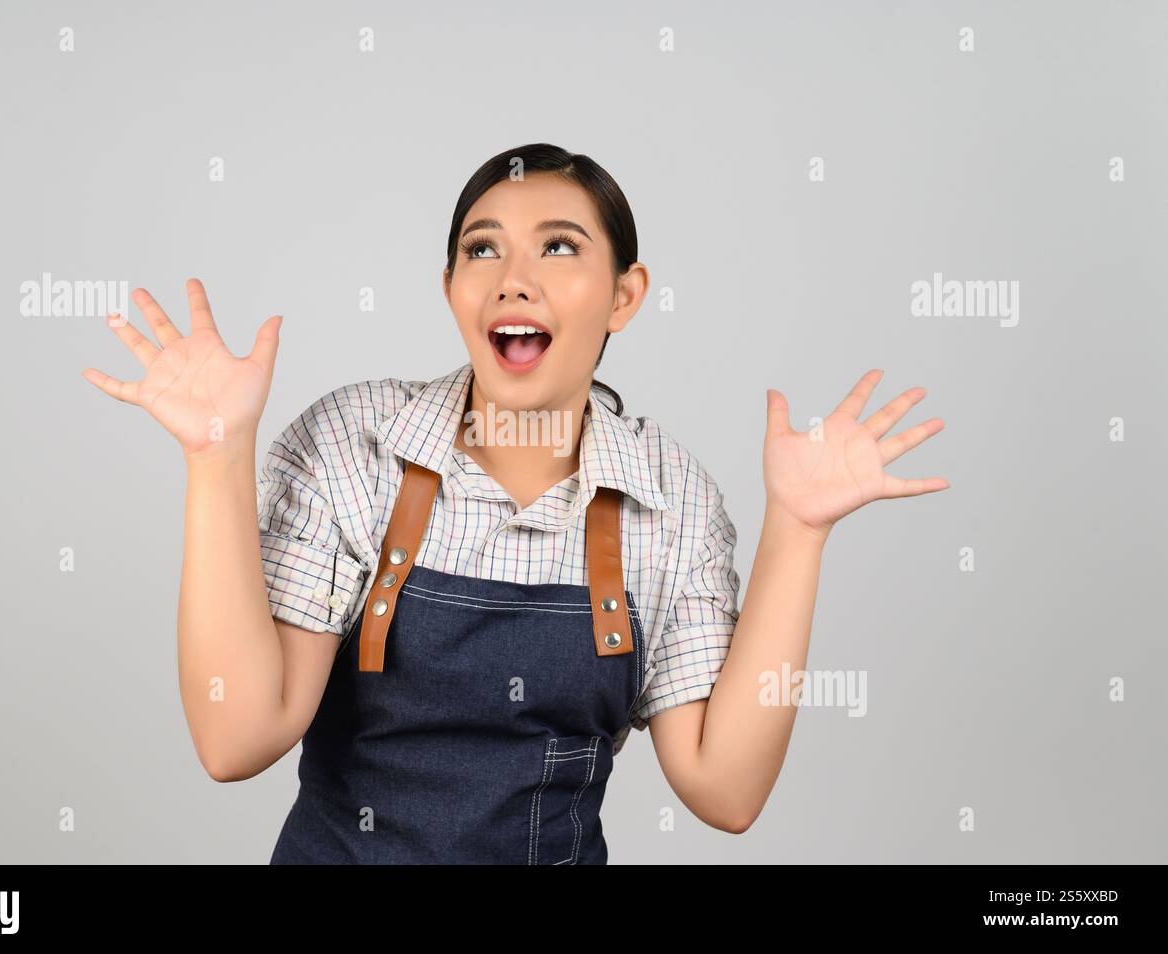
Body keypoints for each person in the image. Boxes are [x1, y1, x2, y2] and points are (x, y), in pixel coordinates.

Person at [82, 143, 948, 864]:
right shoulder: (353, 445)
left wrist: (796, 531)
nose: (513, 278)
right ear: (453, 285)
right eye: (482, 248)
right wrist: (215, 455)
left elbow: (726, 791)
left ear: (625, 295)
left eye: (561, 247)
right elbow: (237, 738)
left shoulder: (669, 495)